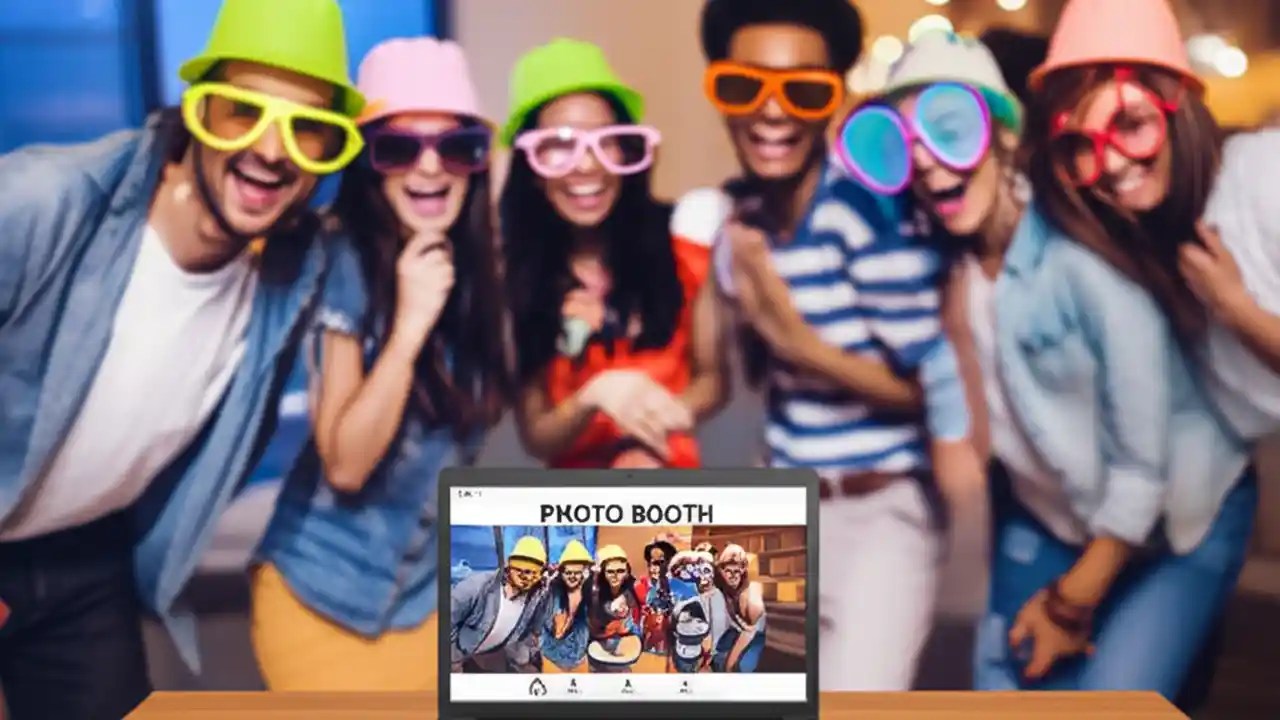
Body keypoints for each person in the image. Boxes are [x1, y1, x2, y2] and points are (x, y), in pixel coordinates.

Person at [838, 15, 1253, 698]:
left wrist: (1068, 603)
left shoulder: (1082, 261)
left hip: (1179, 517)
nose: (927, 160)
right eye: (905, 146)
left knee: (1103, 704)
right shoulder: (945, 269)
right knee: (999, 691)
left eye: (949, 129)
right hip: (1053, 513)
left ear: (1004, 137)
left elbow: (1142, 474)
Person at [0, 0, 364, 717]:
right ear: (195, 111)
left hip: (87, 559)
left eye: (307, 129)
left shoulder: (294, 273)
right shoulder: (44, 201)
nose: (270, 147)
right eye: (241, 112)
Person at [694, 0, 972, 691]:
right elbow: (714, 376)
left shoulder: (866, 209)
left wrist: (798, 341)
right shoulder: (748, 217)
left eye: (803, 89)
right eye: (743, 85)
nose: (772, 111)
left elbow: (932, 384)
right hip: (779, 500)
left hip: (882, 509)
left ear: (835, 99)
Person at [248, 37, 510, 691]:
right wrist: (409, 327)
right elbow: (345, 462)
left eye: (456, 146)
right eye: (398, 146)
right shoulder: (344, 262)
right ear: (369, 161)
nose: (430, 168)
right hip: (319, 603)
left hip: (426, 609)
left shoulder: (475, 270)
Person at [500, 39, 728, 470]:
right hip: (574, 518)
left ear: (628, 152)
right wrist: (594, 397)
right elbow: (537, 434)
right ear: (530, 166)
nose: (586, 165)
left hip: (671, 492)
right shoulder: (517, 278)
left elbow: (714, 378)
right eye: (560, 145)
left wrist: (657, 424)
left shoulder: (685, 246)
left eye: (604, 142)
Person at [451, 536, 553, 673]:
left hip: (495, 653)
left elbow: (531, 630)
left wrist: (524, 658)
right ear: (509, 567)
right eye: (522, 572)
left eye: (534, 574)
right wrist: (453, 658)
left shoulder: (537, 597)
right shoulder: (475, 587)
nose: (527, 579)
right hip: (460, 652)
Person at [585, 544, 643, 672]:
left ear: (627, 571)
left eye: (620, 571)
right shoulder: (593, 590)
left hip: (625, 642)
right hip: (598, 643)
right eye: (610, 571)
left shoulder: (633, 589)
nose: (616, 576)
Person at [541, 540, 595, 673]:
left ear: (584, 572)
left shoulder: (590, 592)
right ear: (561, 573)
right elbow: (556, 631)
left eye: (577, 573)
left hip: (579, 658)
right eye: (568, 573)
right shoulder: (553, 593)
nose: (572, 577)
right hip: (552, 659)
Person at [711, 544, 767, 673]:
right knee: (717, 656)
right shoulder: (721, 584)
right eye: (728, 571)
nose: (733, 576)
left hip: (754, 634)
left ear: (743, 571)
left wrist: (729, 666)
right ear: (721, 571)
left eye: (737, 571)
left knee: (743, 667)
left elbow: (748, 633)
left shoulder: (751, 597)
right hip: (736, 629)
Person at [635, 538, 677, 655]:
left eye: (660, 563)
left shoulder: (679, 589)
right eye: (652, 563)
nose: (654, 569)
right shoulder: (638, 588)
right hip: (645, 645)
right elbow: (634, 619)